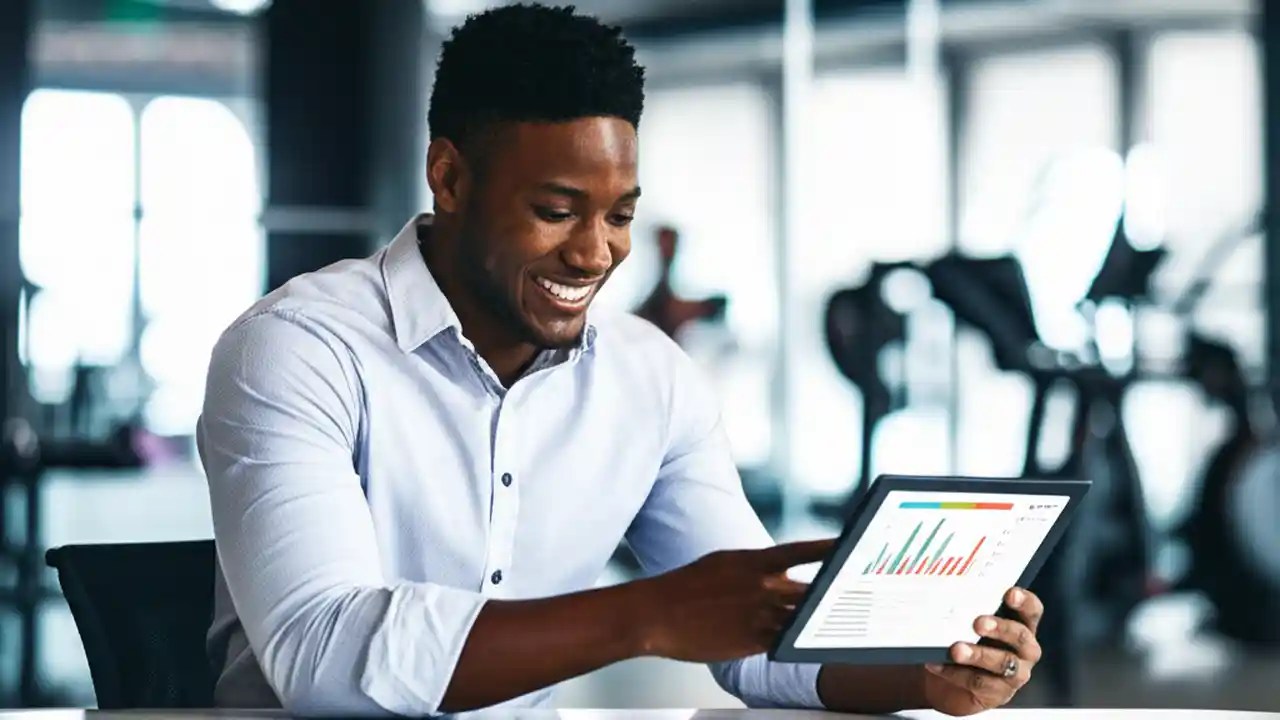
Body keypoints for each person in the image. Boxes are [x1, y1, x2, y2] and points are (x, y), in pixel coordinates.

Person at [198, 4, 1044, 716]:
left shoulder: (651, 379)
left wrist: (922, 674)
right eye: (557, 211)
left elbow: (752, 646)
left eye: (619, 215)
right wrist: (644, 616)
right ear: (449, 180)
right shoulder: (296, 350)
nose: (595, 254)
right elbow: (321, 655)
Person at [634, 225, 727, 339]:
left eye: (696, 311)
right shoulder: (663, 292)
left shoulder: (665, 338)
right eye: (697, 305)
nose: (689, 308)